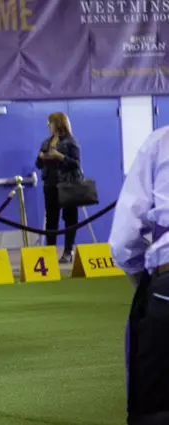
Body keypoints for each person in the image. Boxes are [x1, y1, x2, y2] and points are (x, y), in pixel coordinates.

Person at [109, 126, 169, 425]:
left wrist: (145, 286)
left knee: (154, 410)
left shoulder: (161, 142)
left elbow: (124, 239)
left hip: (166, 285)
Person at [35, 112, 82, 263]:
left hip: (67, 184)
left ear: (58, 123)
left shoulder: (71, 141)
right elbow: (38, 165)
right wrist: (41, 158)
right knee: (51, 220)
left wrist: (59, 156)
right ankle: (50, 252)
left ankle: (68, 251)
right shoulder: (45, 142)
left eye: (51, 123)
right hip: (50, 185)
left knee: (69, 218)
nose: (49, 126)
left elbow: (76, 164)